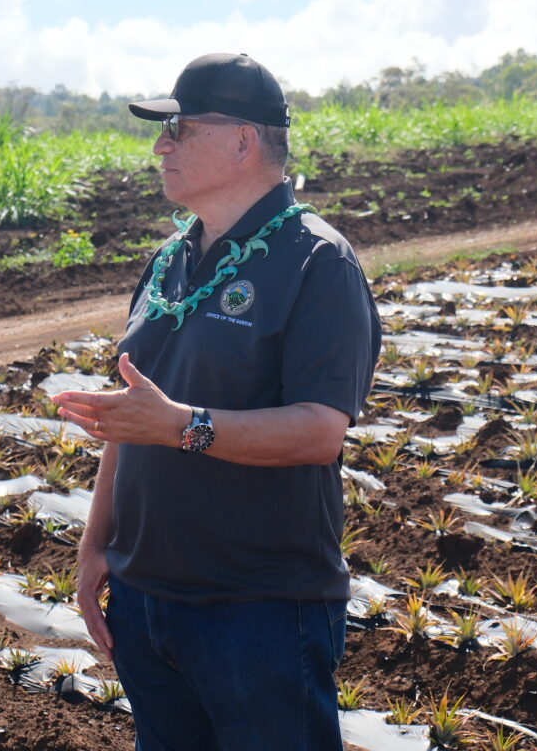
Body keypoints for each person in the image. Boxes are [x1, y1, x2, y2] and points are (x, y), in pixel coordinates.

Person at [52, 53, 382, 751]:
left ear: (242, 140)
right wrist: (95, 544)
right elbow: (135, 416)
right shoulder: (169, 259)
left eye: (179, 129)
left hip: (257, 613)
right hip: (145, 602)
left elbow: (320, 431)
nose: (160, 146)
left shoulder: (317, 263)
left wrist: (185, 427)